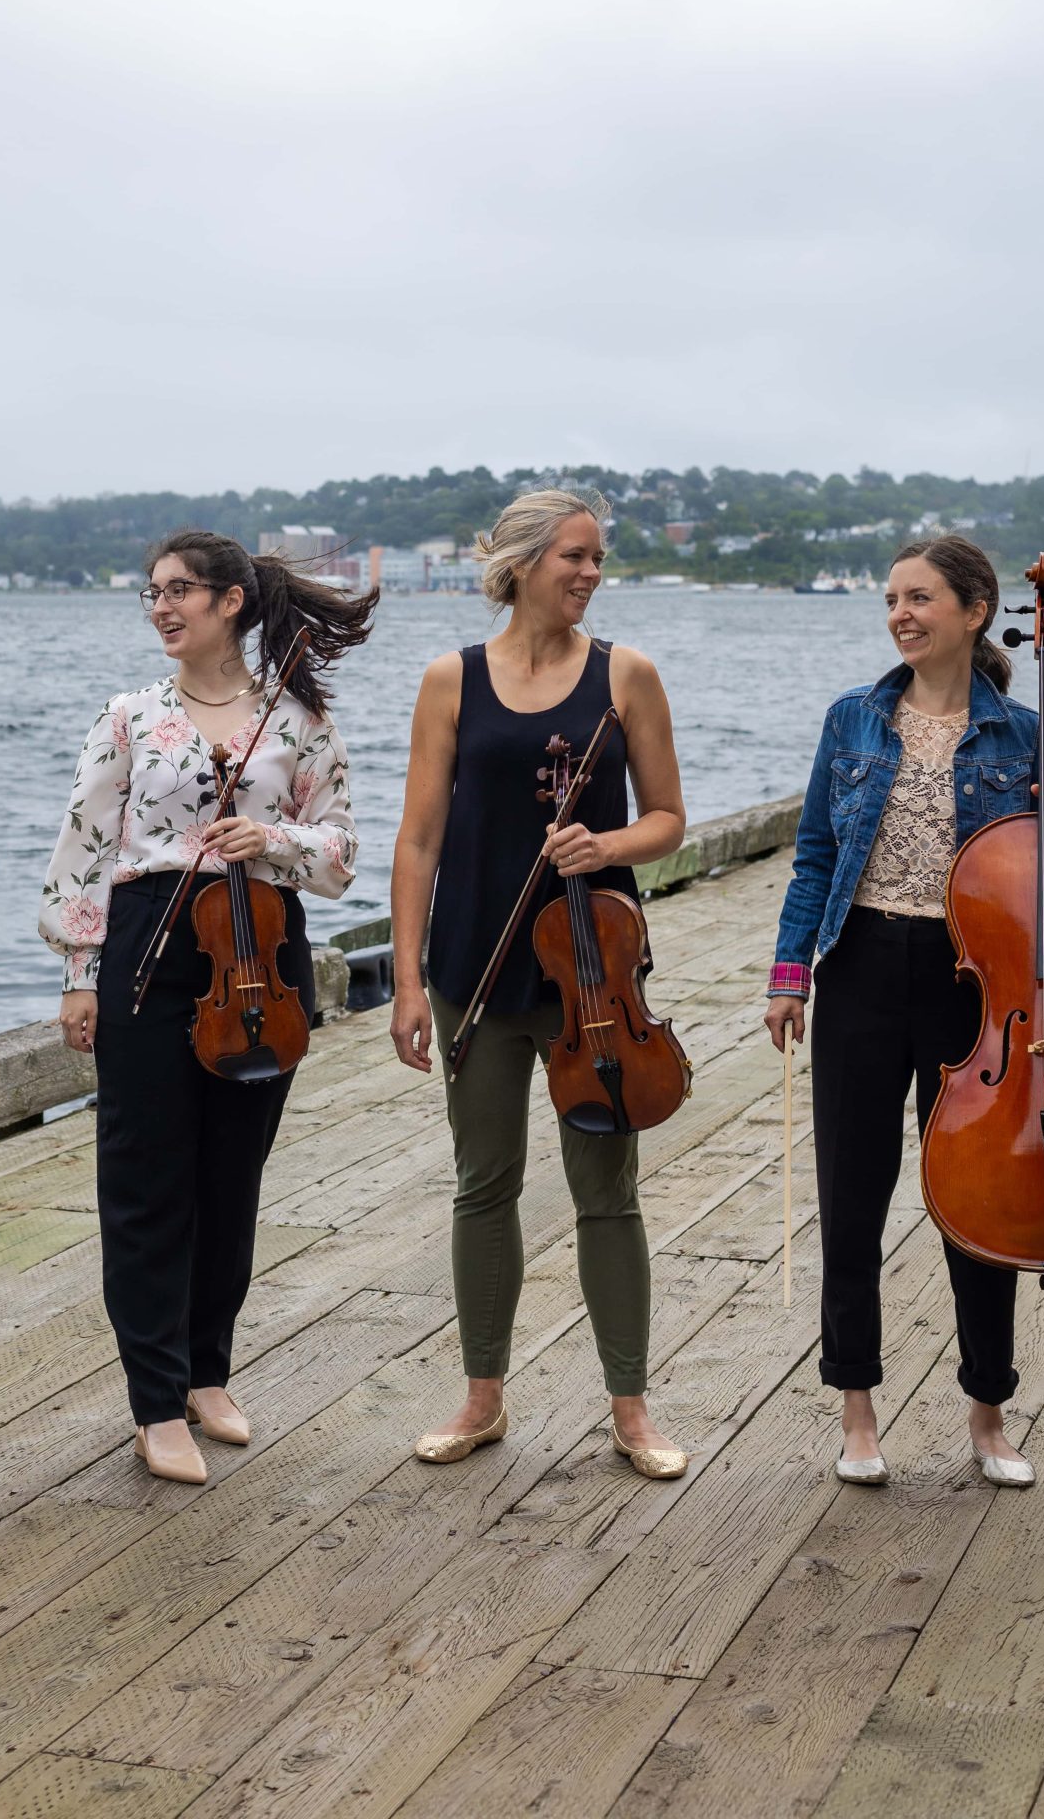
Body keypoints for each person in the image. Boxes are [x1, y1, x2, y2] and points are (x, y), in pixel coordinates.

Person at [764, 532, 1044, 1489]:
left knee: (976, 1203)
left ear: (973, 610)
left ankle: (987, 1415)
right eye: (890, 600)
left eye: (917, 598)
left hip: (970, 985)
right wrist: (790, 974)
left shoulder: (1022, 732)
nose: (900, 614)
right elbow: (816, 854)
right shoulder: (851, 720)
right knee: (852, 1202)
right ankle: (857, 1412)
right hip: (861, 966)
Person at [42, 531, 372, 1486]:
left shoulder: (298, 718)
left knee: (233, 1174)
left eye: (179, 591)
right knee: (145, 1179)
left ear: (231, 601)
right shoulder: (129, 716)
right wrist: (77, 973)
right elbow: (85, 848)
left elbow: (342, 854)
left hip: (261, 950)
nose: (160, 607)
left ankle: (207, 1372)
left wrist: (266, 834)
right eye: (151, 593)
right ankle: (155, 1399)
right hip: (149, 937)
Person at [389, 488, 691, 1478]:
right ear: (521, 562)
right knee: (485, 1183)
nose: (591, 574)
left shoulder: (626, 676)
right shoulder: (451, 680)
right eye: (574, 556)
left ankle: (632, 1407)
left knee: (607, 1189)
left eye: (598, 558)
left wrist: (602, 842)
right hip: (471, 961)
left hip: (591, 974)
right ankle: (482, 1398)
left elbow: (668, 821)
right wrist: (404, 979)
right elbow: (420, 839)